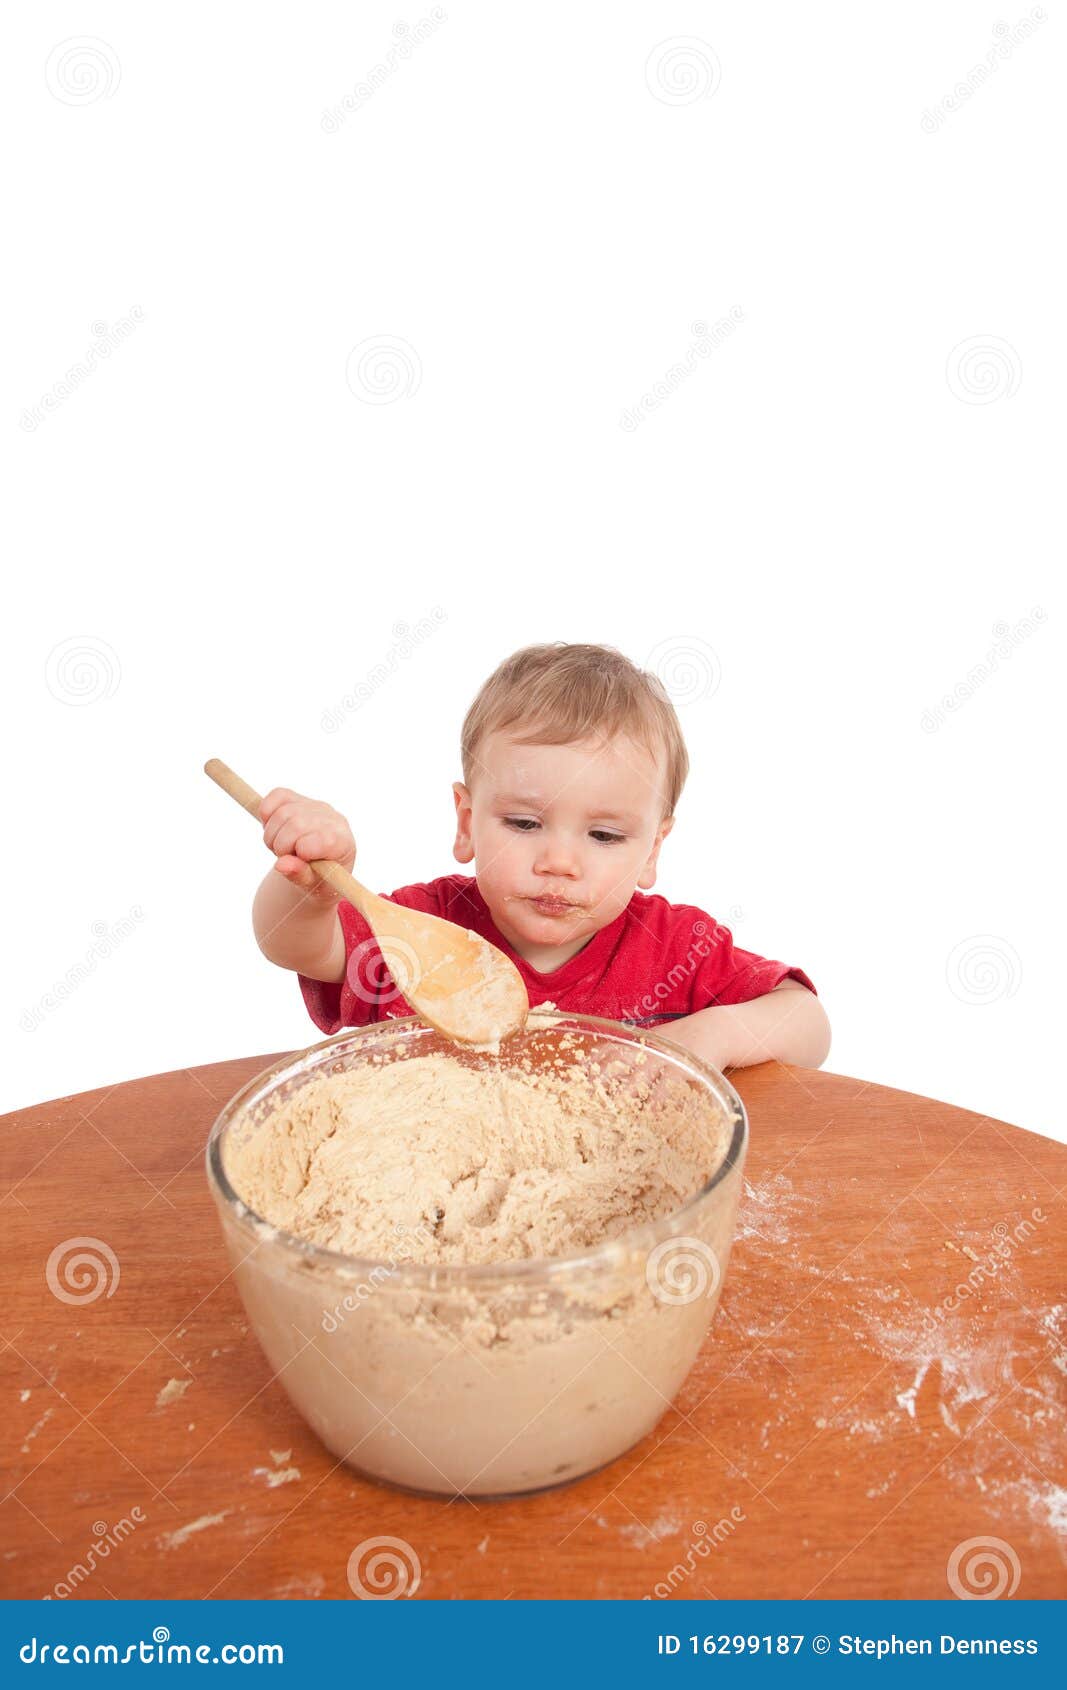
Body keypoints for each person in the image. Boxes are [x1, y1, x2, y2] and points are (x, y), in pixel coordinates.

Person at [251, 642, 830, 1073]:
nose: (559, 862)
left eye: (604, 836)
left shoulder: (675, 948)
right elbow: (297, 946)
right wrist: (312, 892)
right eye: (525, 824)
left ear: (653, 849)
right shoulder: (423, 930)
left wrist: (715, 1034)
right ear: (467, 822)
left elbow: (807, 1022)